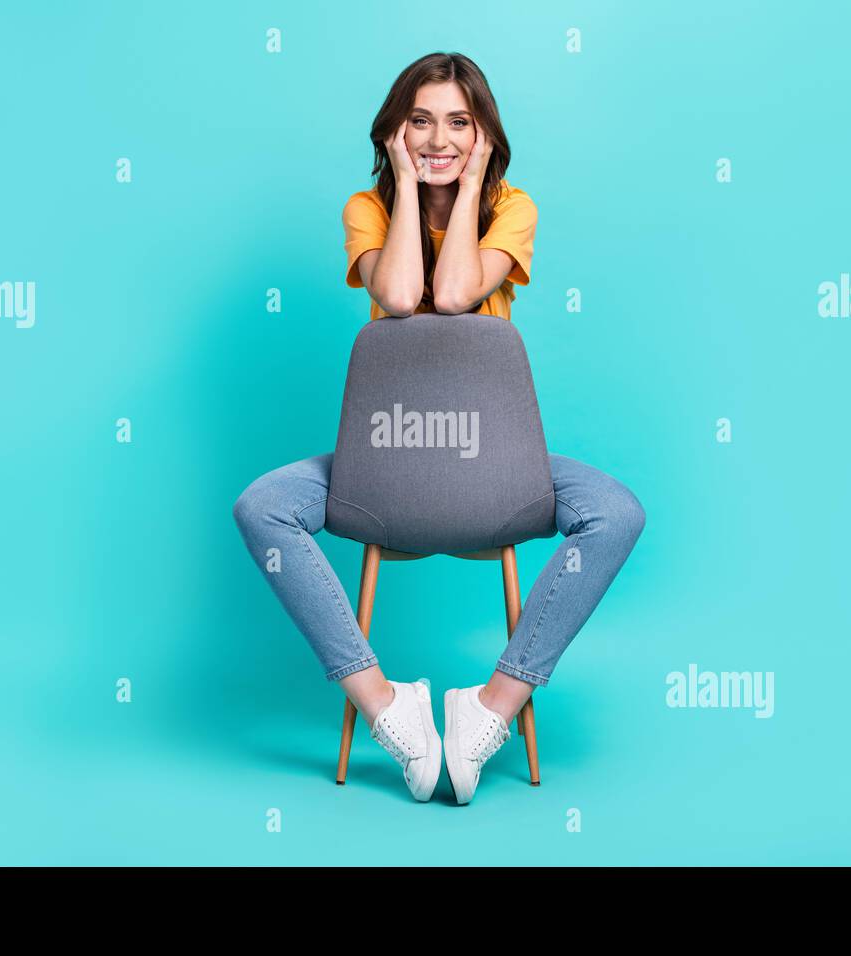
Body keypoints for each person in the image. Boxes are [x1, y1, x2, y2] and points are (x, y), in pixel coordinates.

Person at [232, 52, 646, 805]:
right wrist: (407, 183)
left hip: (494, 461)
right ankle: (388, 707)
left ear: (484, 133)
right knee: (261, 505)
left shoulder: (513, 208)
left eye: (459, 121)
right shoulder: (369, 211)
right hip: (387, 455)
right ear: (396, 130)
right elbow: (397, 294)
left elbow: (454, 294)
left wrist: (470, 187)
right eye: (419, 119)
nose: (439, 136)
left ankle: (490, 708)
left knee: (616, 512)